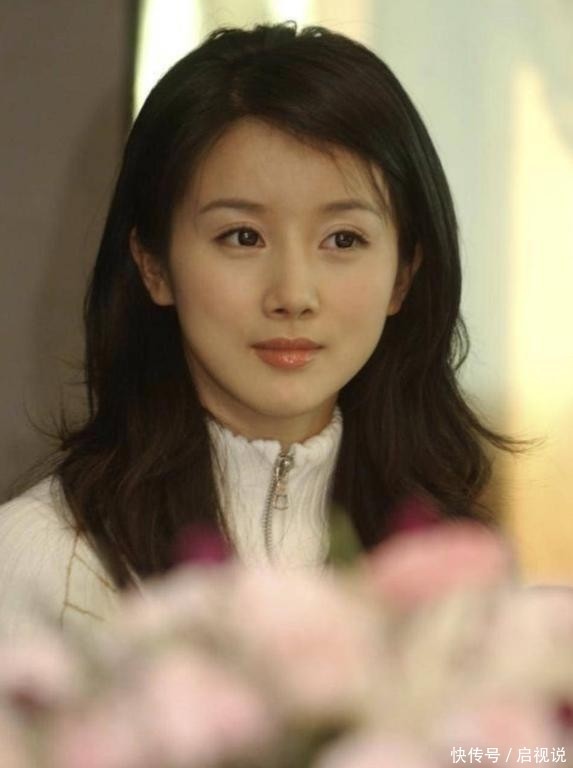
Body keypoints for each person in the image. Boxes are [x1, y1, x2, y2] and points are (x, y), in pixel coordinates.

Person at [0, 21, 534, 639]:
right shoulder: (43, 564)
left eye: (343, 239)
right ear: (154, 265)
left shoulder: (453, 574)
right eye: (243, 236)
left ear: (403, 276)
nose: (293, 296)